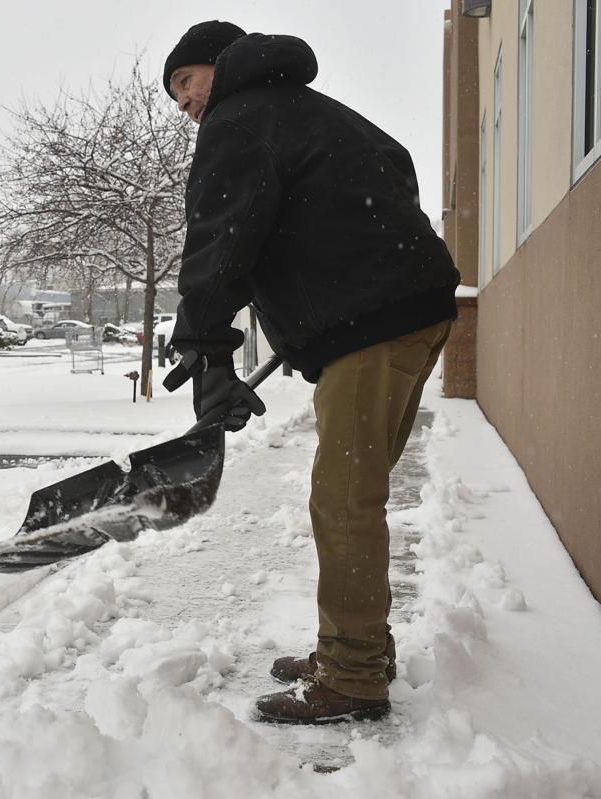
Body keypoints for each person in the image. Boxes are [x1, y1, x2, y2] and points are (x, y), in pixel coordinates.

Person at [161, 21, 460, 724]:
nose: (186, 106)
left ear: (220, 65)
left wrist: (205, 347)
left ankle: (353, 676)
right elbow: (398, 165)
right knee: (357, 489)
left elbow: (220, 240)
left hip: (377, 322)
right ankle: (355, 648)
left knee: (343, 498)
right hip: (416, 310)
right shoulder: (311, 110)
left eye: (186, 84)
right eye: (177, 99)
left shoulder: (238, 119)